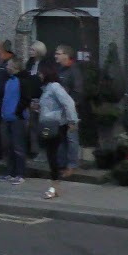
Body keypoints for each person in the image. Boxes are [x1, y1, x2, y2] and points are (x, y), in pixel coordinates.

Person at [35, 61, 78, 201]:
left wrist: (72, 121)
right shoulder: (47, 88)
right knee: (51, 156)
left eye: (41, 73)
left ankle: (54, 188)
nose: (39, 75)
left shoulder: (54, 87)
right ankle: (55, 186)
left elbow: (69, 102)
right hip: (49, 124)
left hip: (56, 125)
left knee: (52, 156)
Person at [55, 45, 85, 177]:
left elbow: (78, 91)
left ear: (66, 56)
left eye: (58, 53)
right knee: (61, 137)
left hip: (71, 109)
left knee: (71, 137)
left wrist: (70, 106)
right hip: (60, 109)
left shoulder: (74, 70)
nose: (55, 55)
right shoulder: (60, 69)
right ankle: (62, 164)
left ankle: (72, 165)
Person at [0, 57, 27, 183]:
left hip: (17, 118)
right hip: (6, 117)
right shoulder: (8, 81)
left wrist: (18, 111)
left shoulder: (22, 80)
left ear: (15, 67)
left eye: (9, 64)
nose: (6, 67)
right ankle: (10, 172)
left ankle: (20, 174)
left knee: (18, 146)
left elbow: (25, 98)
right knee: (8, 146)